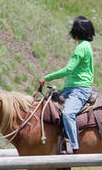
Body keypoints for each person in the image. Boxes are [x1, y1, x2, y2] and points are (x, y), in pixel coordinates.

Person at [38, 16, 95, 154]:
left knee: (68, 113)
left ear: (77, 31)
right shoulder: (85, 46)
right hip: (72, 88)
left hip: (79, 90)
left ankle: (74, 147)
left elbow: (68, 70)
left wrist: (46, 77)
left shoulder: (81, 47)